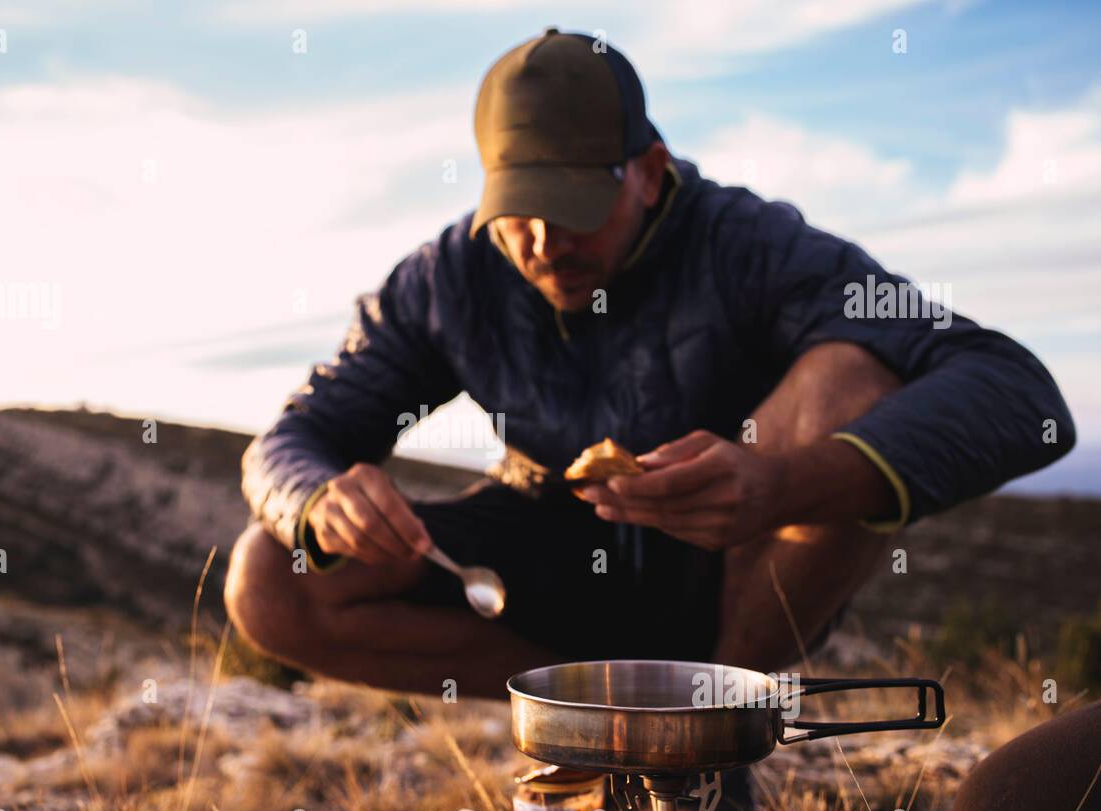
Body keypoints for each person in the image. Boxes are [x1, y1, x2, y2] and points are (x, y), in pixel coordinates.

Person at [225, 28, 1075, 701]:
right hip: (546, 545)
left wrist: (785, 484)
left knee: (851, 379)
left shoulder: (750, 245)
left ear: (649, 172)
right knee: (273, 573)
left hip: (734, 561)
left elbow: (1020, 394)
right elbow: (294, 438)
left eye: (575, 208)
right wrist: (318, 499)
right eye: (520, 210)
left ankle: (709, 729)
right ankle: (585, 720)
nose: (544, 243)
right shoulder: (450, 276)